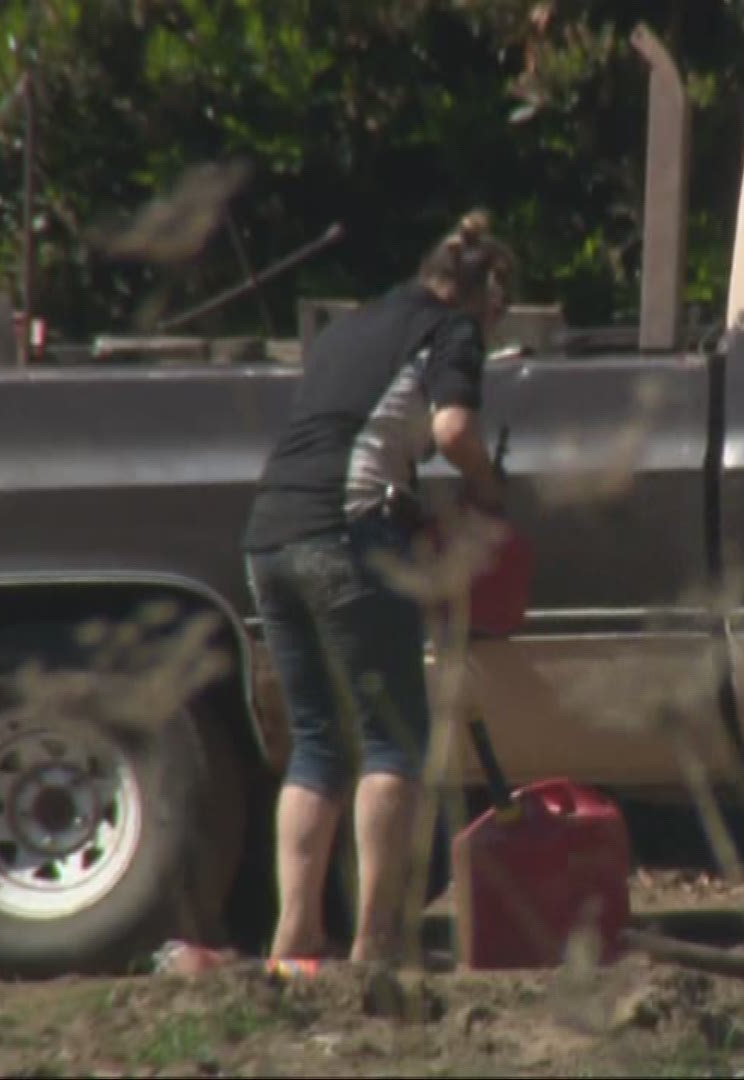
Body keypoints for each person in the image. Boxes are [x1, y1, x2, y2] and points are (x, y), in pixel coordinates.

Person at [241, 210, 514, 964]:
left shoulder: (349, 329)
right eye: (498, 315)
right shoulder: (450, 332)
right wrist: (487, 493)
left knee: (318, 745)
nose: (493, 331)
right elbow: (455, 432)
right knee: (393, 741)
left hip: (269, 537)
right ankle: (378, 943)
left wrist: (413, 504)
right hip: (346, 538)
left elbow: (347, 439)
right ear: (481, 297)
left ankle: (293, 945)